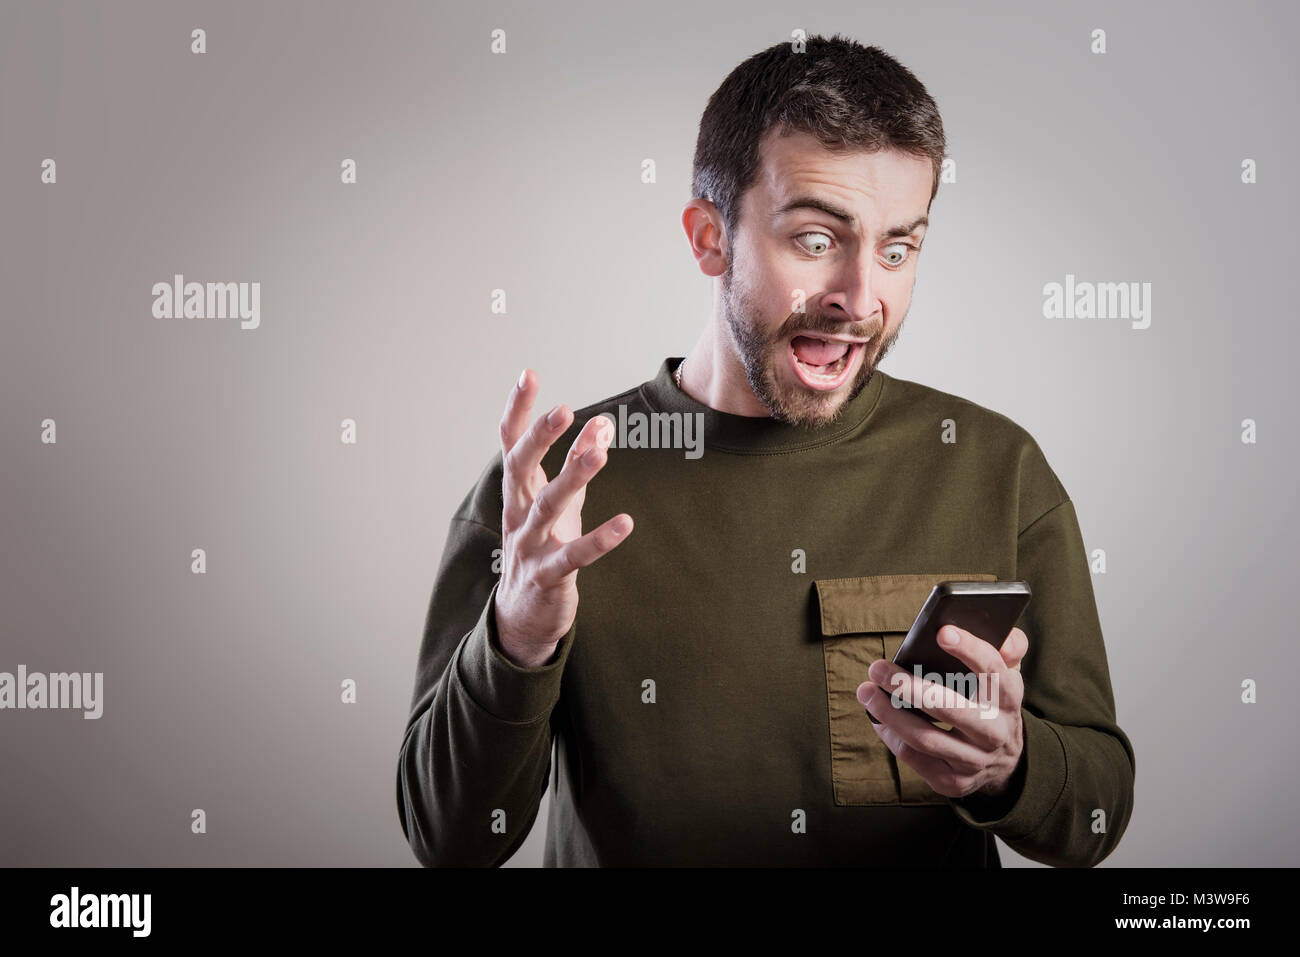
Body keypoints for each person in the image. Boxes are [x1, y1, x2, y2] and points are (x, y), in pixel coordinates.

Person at [396, 34, 1135, 867]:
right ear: (710, 237)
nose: (862, 298)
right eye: (817, 239)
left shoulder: (996, 469)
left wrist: (1013, 768)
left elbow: (1097, 811)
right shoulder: (553, 492)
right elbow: (447, 837)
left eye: (898, 248)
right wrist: (517, 637)